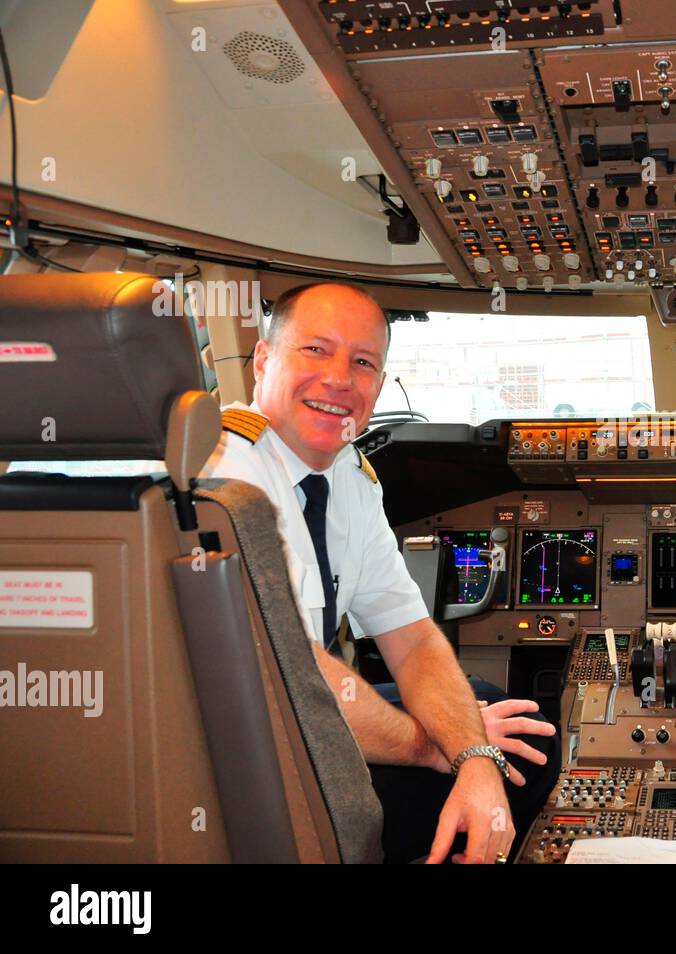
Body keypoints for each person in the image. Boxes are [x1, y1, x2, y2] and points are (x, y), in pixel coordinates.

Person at [203, 282, 560, 864]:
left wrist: (470, 754)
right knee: (508, 751)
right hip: (245, 749)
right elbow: (293, 673)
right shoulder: (223, 474)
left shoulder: (349, 476)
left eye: (363, 361)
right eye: (315, 350)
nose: (340, 379)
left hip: (304, 712)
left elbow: (415, 640)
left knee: (510, 723)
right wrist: (441, 752)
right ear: (264, 360)